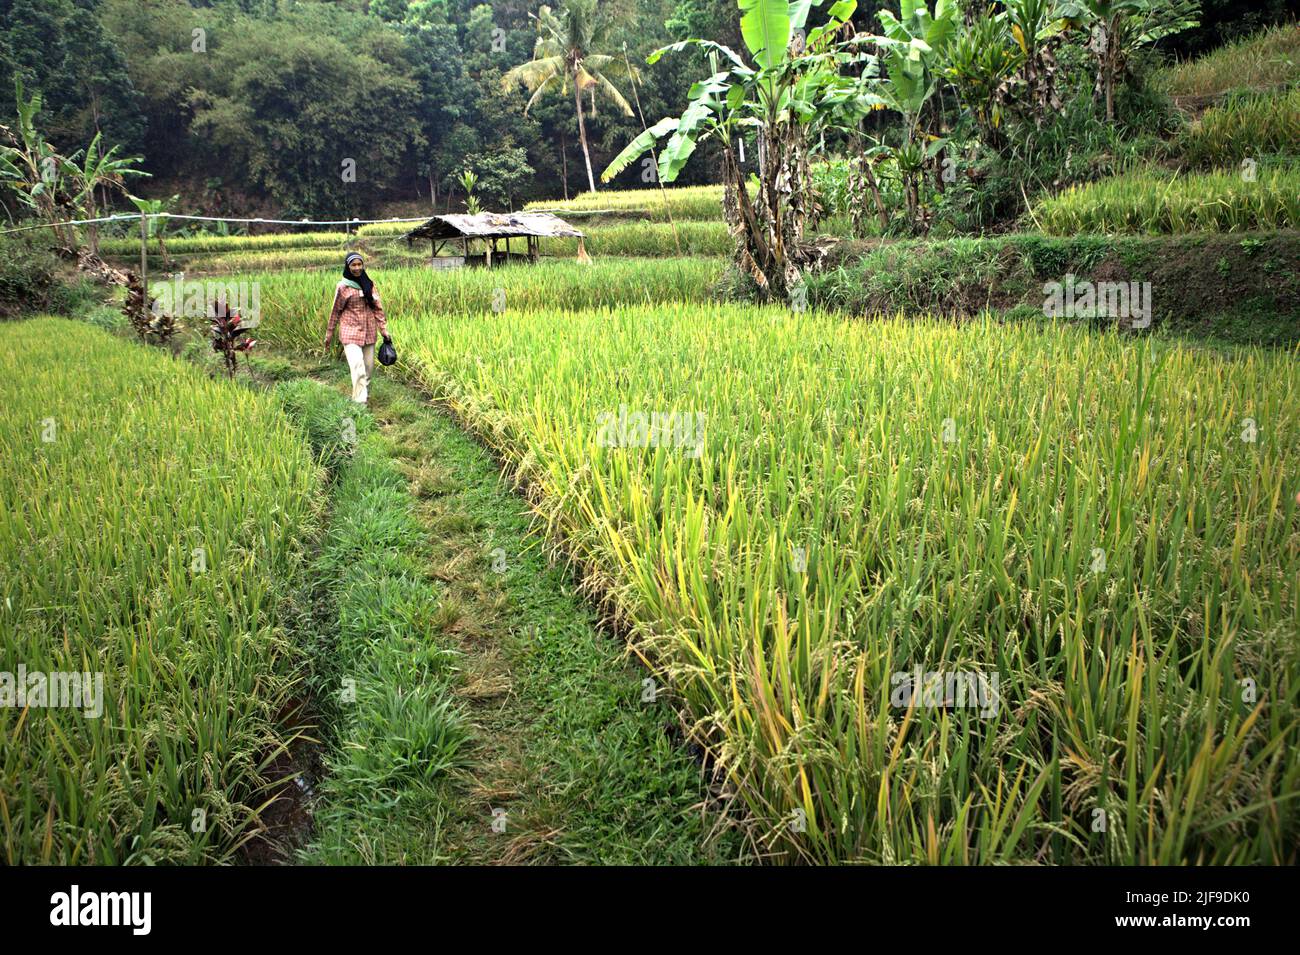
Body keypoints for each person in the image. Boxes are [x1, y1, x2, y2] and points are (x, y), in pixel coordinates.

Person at [324, 252, 392, 404]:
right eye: (353, 265)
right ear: (348, 267)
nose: (357, 268)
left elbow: (378, 309)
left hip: (369, 332)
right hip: (350, 331)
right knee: (358, 367)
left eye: (359, 264)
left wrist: (384, 330)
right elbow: (336, 311)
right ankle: (360, 403)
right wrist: (329, 333)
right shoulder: (343, 287)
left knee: (368, 368)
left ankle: (363, 394)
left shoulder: (369, 284)